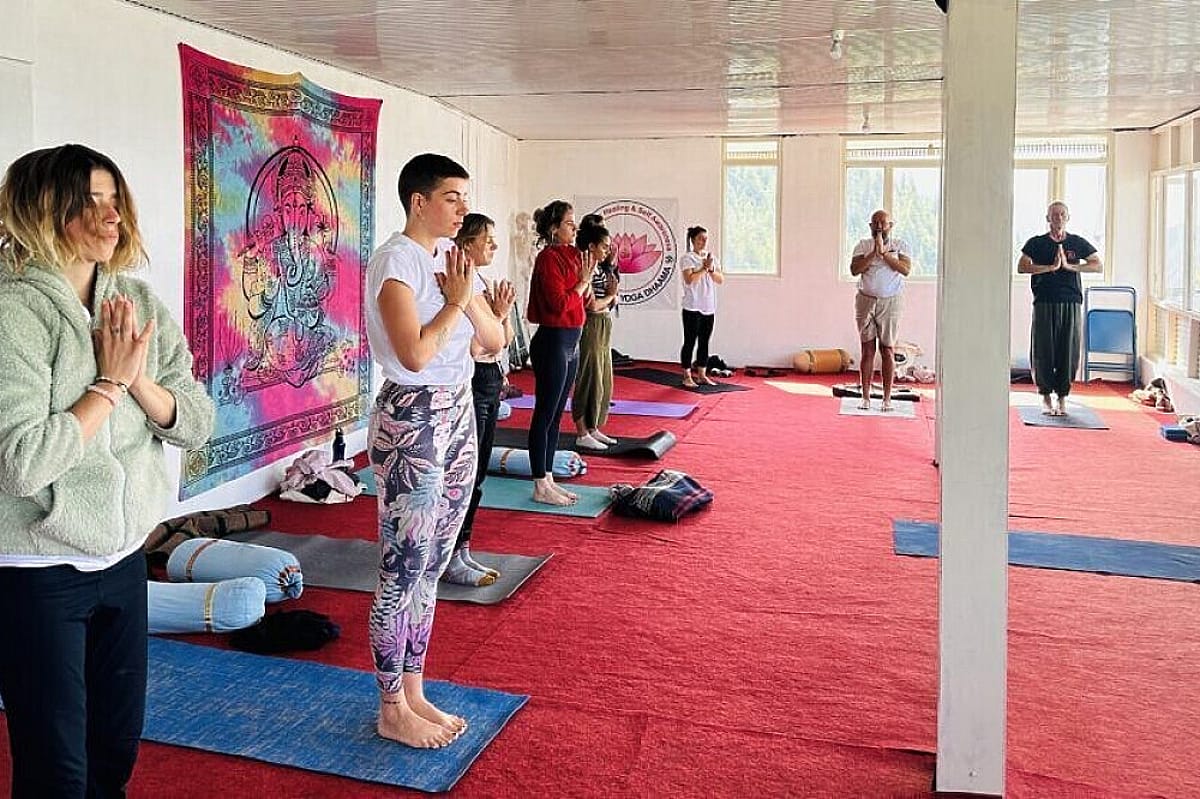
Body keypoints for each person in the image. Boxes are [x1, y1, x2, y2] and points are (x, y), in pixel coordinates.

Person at [0, 144, 215, 798]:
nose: (109, 215)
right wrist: (106, 386)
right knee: (56, 774)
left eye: (113, 199)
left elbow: (198, 421)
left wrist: (140, 382)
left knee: (114, 756)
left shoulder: (136, 301)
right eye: (88, 201)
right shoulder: (14, 313)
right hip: (38, 572)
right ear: (42, 210)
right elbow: (21, 463)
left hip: (124, 562)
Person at [365, 153, 505, 747]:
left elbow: (494, 342)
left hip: (457, 412)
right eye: (452, 197)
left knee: (432, 566)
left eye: (464, 197)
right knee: (403, 567)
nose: (463, 208)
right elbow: (414, 354)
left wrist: (467, 294)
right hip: (412, 418)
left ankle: (415, 689)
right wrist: (454, 303)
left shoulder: (453, 261)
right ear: (419, 201)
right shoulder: (396, 260)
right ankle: (389, 703)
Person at [441, 212, 516, 587]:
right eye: (487, 240)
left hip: (489, 378)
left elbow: (505, 339)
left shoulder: (480, 281)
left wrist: (500, 318)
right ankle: (449, 554)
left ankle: (461, 549)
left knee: (478, 475)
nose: (494, 246)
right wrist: (497, 319)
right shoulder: (459, 286)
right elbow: (472, 346)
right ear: (466, 243)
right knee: (462, 475)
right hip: (471, 380)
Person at [526, 200, 595, 506]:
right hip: (552, 341)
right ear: (554, 229)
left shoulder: (573, 255)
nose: (574, 227)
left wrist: (587, 284)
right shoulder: (548, 257)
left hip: (572, 341)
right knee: (544, 413)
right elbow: (558, 303)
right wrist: (581, 285)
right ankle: (539, 483)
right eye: (569, 223)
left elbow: (582, 301)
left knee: (556, 417)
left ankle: (549, 478)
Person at [1017, 201, 1102, 416]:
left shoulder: (1077, 242)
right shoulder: (1036, 243)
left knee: (1068, 349)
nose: (1058, 218)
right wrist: (1049, 268)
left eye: (1062, 214)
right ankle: (1045, 396)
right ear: (1048, 218)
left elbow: (1097, 264)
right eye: (1054, 215)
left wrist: (1070, 267)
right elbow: (1022, 266)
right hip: (1045, 300)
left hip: (1071, 301)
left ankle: (1062, 396)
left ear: (1068, 217)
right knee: (1044, 348)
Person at [849, 209, 911, 411]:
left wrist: (884, 254)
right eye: (875, 223)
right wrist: (874, 254)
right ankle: (865, 397)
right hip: (866, 300)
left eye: (883, 223)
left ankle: (886, 399)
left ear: (890, 226)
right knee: (867, 349)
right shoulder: (862, 245)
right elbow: (855, 269)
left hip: (890, 302)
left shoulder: (899, 245)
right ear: (870, 226)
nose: (878, 227)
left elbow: (905, 269)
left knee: (887, 349)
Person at [571, 217, 619, 450]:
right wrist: (610, 297)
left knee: (602, 377)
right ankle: (582, 431)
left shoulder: (600, 266)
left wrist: (609, 296)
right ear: (591, 245)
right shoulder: (585, 266)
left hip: (603, 324)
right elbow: (591, 304)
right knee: (588, 377)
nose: (607, 250)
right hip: (590, 324)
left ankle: (594, 427)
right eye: (604, 246)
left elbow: (604, 300)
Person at [679, 225, 724, 388]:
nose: (703, 242)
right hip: (692, 306)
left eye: (705, 239)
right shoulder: (687, 258)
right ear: (693, 240)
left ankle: (702, 375)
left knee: (704, 341)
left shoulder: (711, 258)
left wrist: (710, 269)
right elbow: (690, 279)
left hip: (708, 306)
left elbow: (720, 279)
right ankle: (686, 375)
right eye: (700, 239)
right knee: (690, 341)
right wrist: (703, 268)